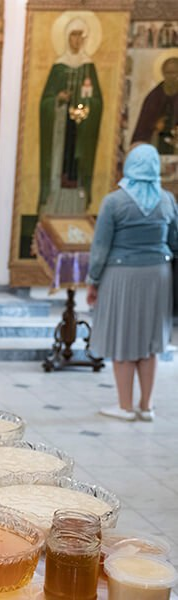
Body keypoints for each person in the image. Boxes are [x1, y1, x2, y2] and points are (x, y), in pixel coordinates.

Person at [87, 144, 178, 421]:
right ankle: (147, 406)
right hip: (158, 276)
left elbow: (101, 247)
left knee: (123, 338)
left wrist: (93, 281)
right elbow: (174, 242)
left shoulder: (114, 202)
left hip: (121, 275)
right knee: (149, 341)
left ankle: (125, 407)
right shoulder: (167, 200)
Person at [38, 17, 103, 215]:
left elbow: (99, 101)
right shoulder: (59, 67)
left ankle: (75, 211)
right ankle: (54, 206)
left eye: (79, 36)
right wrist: (58, 100)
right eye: (73, 36)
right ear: (67, 38)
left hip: (81, 129)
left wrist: (87, 107)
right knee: (59, 164)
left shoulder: (88, 67)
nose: (76, 41)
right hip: (60, 128)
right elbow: (45, 102)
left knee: (77, 167)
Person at [131, 57, 178, 155]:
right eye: (168, 73)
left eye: (175, 72)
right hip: (156, 144)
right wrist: (155, 126)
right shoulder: (154, 97)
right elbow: (143, 128)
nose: (172, 76)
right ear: (163, 74)